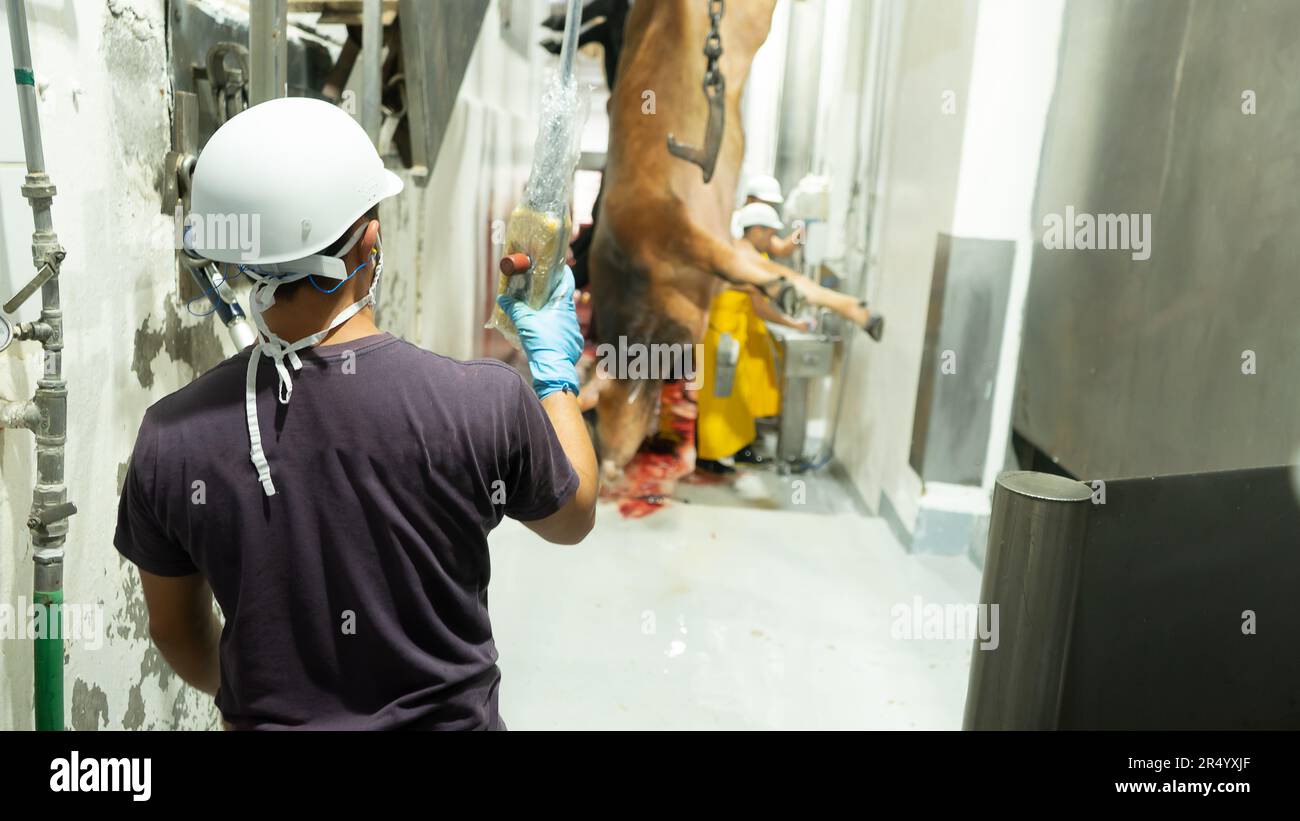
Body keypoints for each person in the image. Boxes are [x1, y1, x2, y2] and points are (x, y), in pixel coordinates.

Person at [113, 97, 597, 730]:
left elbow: (175, 632)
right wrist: (555, 374)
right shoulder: (482, 401)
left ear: (231, 261)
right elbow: (574, 517)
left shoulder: (169, 437)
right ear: (369, 240)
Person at [697, 203, 809, 474]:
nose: (771, 240)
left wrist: (803, 233)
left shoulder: (744, 254)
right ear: (756, 230)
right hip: (722, 337)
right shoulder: (741, 260)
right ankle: (710, 455)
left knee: (737, 398)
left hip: (734, 336)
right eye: (769, 233)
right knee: (719, 399)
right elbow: (761, 306)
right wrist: (793, 323)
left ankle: (736, 449)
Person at [729, 173, 798, 258]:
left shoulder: (764, 227)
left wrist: (802, 230)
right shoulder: (732, 223)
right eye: (765, 203)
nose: (768, 208)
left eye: (771, 205)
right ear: (750, 199)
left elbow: (783, 249)